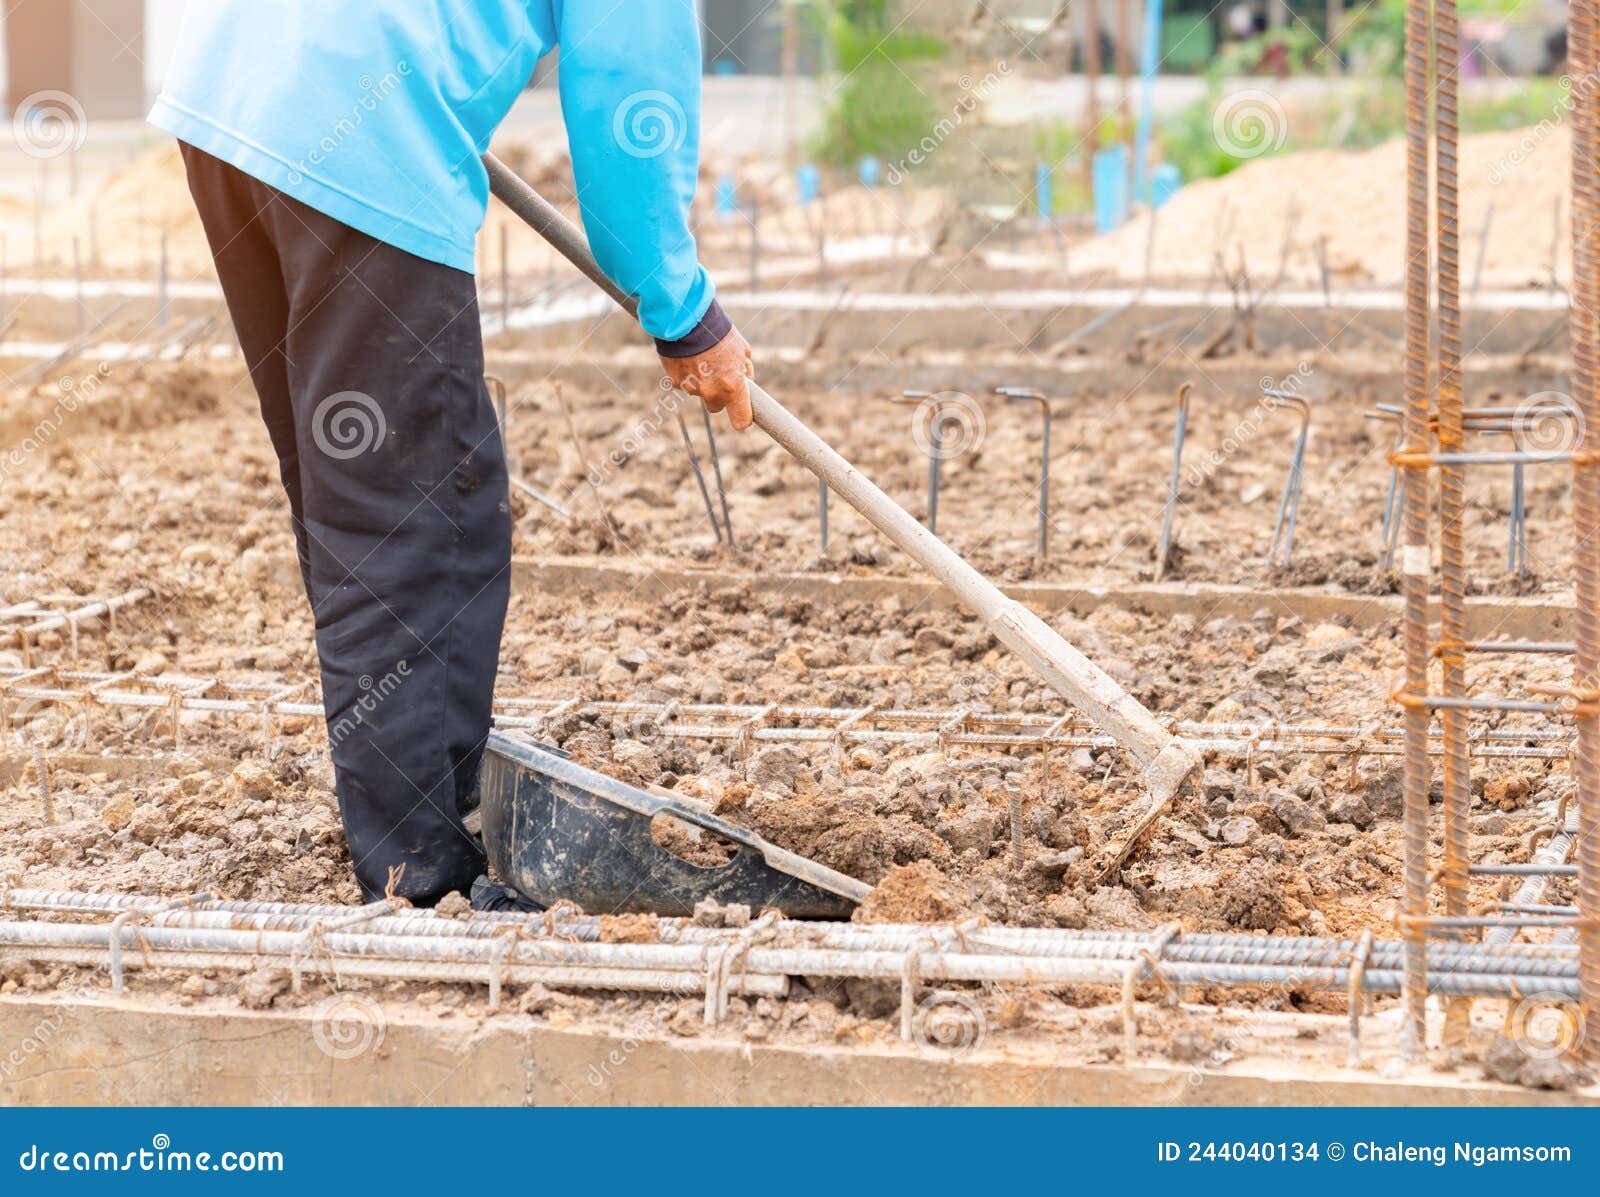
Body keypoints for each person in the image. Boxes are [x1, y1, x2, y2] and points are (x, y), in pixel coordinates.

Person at [149, 1, 753, 907]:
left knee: (371, 498)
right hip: (359, 124)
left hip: (233, 95)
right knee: (416, 524)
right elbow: (629, 98)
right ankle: (418, 875)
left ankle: (439, 805)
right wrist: (683, 310)